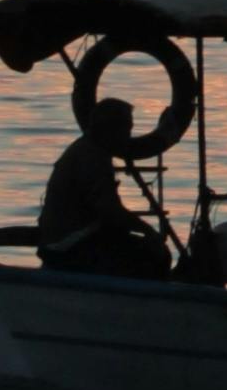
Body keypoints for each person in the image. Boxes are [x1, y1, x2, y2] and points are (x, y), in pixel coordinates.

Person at [35, 99, 173, 279]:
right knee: (155, 255)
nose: (128, 136)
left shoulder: (87, 149)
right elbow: (110, 210)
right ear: (111, 129)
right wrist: (148, 231)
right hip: (70, 245)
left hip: (69, 239)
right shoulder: (92, 158)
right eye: (127, 129)